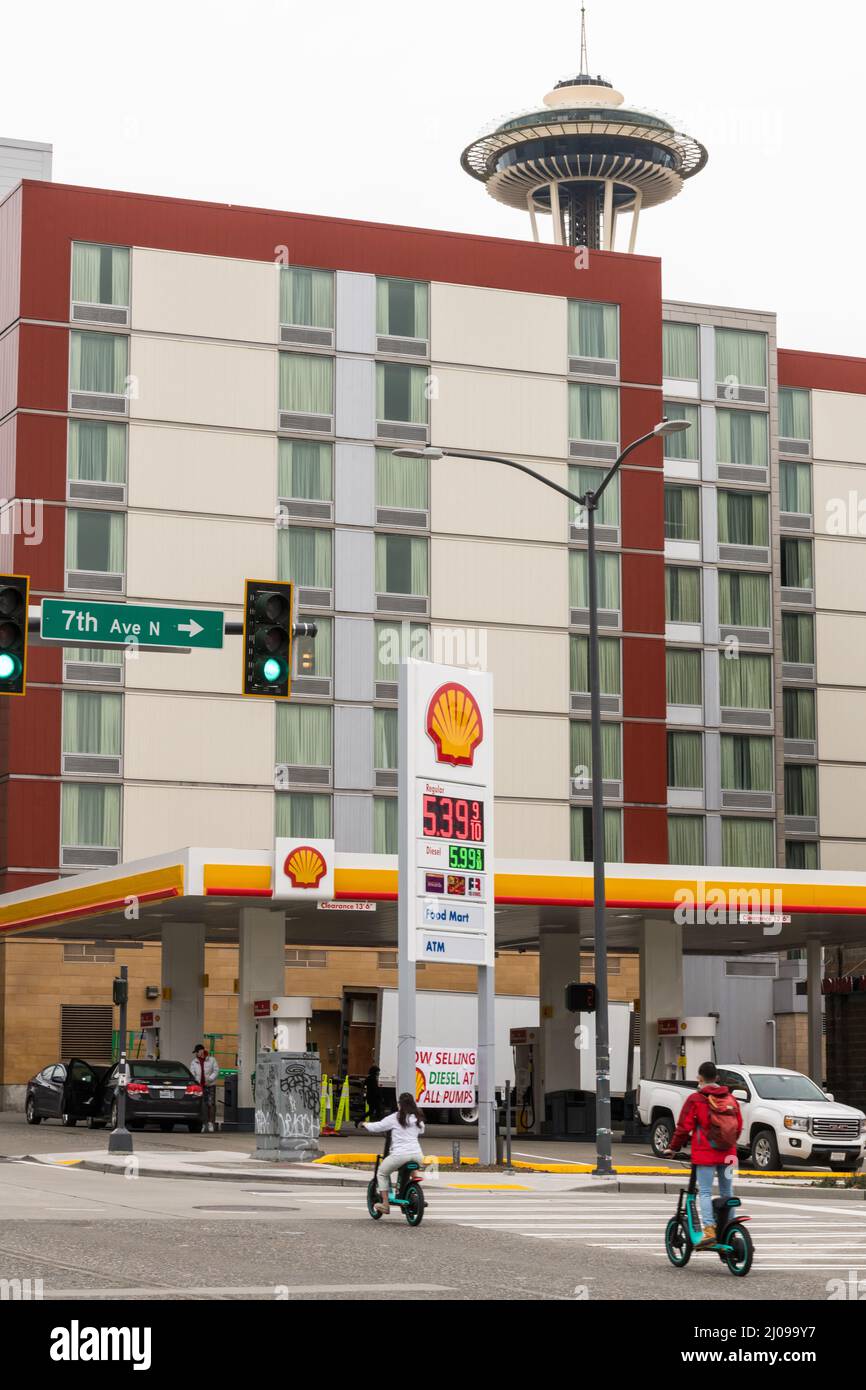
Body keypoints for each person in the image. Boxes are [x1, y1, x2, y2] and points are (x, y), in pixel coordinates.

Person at [666, 1060, 743, 1247]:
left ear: (699, 1078)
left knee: (706, 1192)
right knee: (727, 1191)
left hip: (706, 1156)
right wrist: (728, 1143)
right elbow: (738, 1127)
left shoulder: (696, 1099)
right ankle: (730, 1229)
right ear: (717, 1078)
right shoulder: (731, 1099)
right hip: (729, 1155)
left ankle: (709, 1230)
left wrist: (673, 1148)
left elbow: (684, 1127)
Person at [361, 1092, 425, 1215]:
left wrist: (365, 1124)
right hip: (418, 1155)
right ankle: (413, 1183)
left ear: (399, 1104)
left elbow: (378, 1126)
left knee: (382, 1173)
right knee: (410, 1164)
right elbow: (422, 1130)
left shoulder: (395, 1117)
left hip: (400, 1155)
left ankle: (385, 1204)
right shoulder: (417, 1117)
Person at [190, 1043, 219, 1133]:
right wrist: (196, 1082)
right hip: (200, 1087)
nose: (196, 1054)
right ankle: (203, 1123)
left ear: (201, 1051)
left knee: (211, 1104)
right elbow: (192, 1073)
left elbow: (216, 1070)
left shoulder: (211, 1060)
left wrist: (210, 1079)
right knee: (202, 1105)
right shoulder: (194, 1062)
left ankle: (211, 1123)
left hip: (210, 1085)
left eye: (197, 1052)